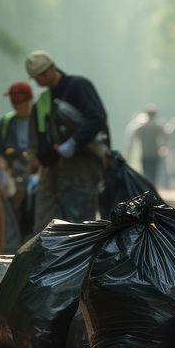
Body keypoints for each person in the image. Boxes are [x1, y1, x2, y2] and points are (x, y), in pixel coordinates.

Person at [26, 50, 110, 232]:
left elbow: (97, 118)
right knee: (45, 226)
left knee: (78, 225)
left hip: (83, 166)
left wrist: (74, 142)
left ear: (52, 68)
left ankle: (80, 260)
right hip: (53, 169)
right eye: (36, 77)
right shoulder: (42, 102)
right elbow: (40, 137)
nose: (40, 80)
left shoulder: (78, 86)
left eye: (42, 74)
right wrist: (39, 162)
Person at [0, 81, 37, 253]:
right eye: (14, 103)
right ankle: (9, 256)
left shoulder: (40, 120)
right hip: (12, 178)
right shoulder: (7, 122)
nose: (17, 106)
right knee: (9, 222)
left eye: (21, 102)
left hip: (37, 179)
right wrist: (5, 172)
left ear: (30, 100)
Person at [128, 104, 166, 184]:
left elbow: (134, 139)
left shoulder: (141, 126)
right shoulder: (158, 126)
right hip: (155, 153)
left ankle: (148, 189)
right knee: (154, 174)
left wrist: (129, 153)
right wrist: (163, 147)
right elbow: (165, 137)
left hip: (145, 153)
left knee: (146, 173)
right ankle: (153, 188)